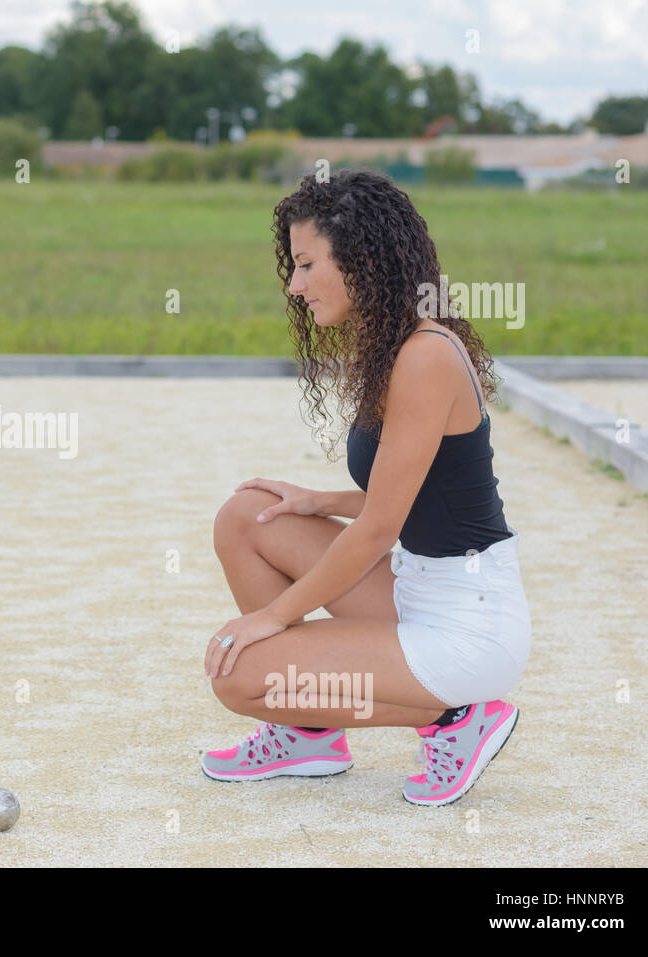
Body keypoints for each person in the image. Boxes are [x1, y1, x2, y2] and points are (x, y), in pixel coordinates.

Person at [200, 169, 531, 806]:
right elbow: (423, 493)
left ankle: (457, 720)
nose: (294, 287)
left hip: (469, 625)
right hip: (419, 585)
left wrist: (274, 618)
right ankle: (310, 735)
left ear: (362, 259)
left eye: (304, 265)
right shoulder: (395, 344)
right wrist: (322, 502)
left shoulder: (425, 355)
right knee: (248, 516)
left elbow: (380, 526)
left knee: (241, 675)